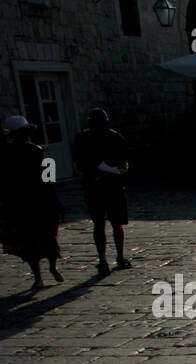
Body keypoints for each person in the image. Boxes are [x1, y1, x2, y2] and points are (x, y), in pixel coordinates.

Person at [1, 115, 63, 291]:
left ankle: (40, 276)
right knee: (45, 238)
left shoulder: (7, 153)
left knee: (30, 241)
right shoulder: (36, 151)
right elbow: (49, 178)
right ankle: (50, 269)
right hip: (37, 202)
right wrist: (55, 200)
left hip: (20, 204)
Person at [72, 108, 131, 276]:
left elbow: (78, 164)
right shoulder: (114, 136)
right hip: (111, 185)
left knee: (100, 224)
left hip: (95, 186)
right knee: (115, 223)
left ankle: (103, 259)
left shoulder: (83, 138)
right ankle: (118, 257)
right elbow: (125, 162)